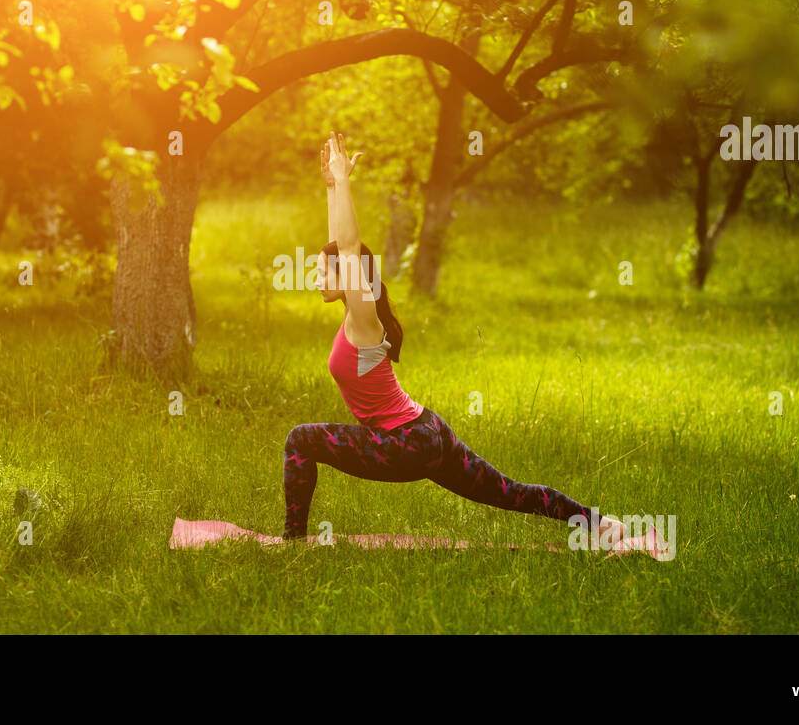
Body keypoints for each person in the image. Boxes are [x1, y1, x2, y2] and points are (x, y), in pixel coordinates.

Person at [280, 132, 659, 558]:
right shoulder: (358, 317)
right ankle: (605, 525)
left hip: (405, 443)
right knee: (510, 492)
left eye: (323, 273)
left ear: (350, 278)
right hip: (428, 432)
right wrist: (332, 186)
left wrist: (345, 184)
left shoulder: (364, 323)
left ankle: (293, 543)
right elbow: (341, 247)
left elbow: (348, 248)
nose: (316, 279)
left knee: (299, 439)